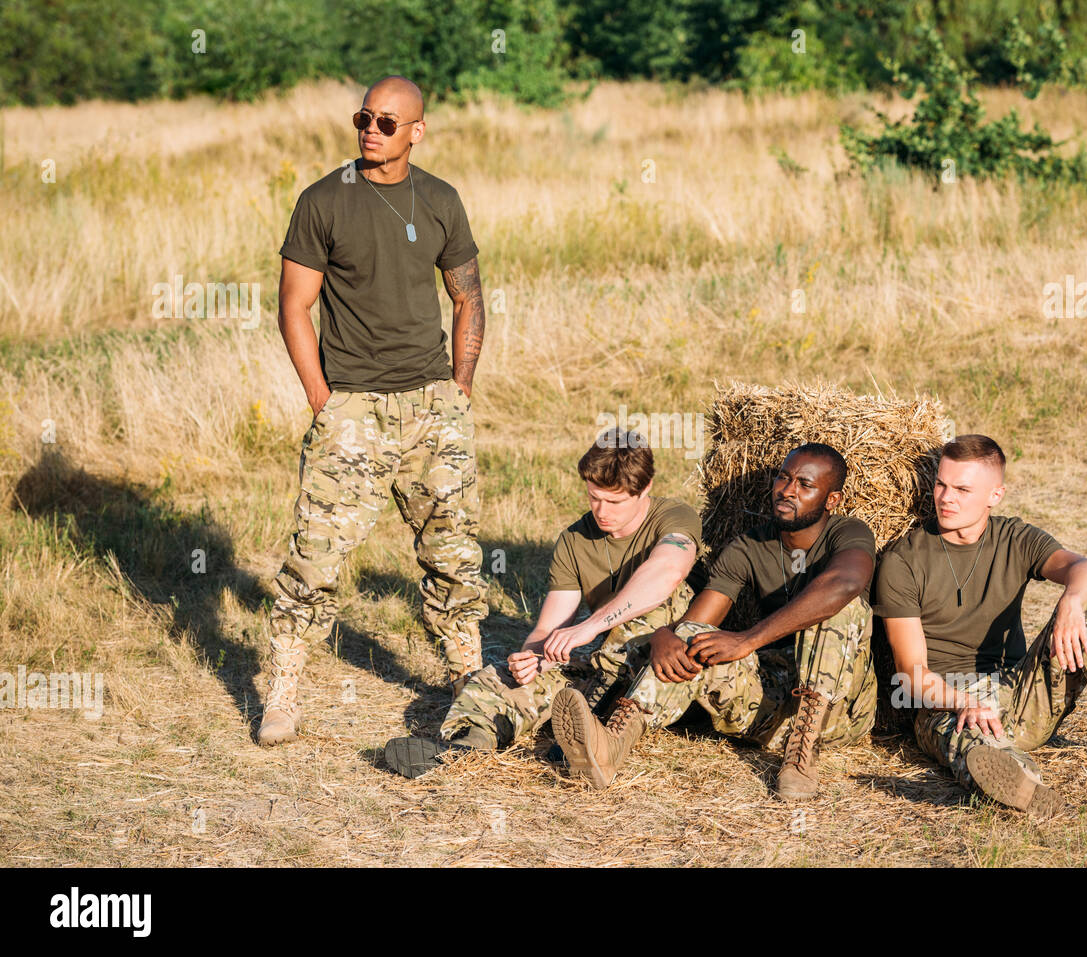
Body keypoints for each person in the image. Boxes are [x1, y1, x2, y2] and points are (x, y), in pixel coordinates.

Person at [258, 76, 489, 746]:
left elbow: (469, 297)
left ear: (417, 131)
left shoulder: (441, 199)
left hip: (431, 406)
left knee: (453, 554)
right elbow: (292, 306)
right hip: (352, 406)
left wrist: (460, 387)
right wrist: (322, 398)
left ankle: (467, 684)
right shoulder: (325, 199)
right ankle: (283, 689)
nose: (372, 129)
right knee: (314, 559)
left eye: (389, 122)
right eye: (365, 117)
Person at [874, 433, 1087, 818]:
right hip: (949, 702)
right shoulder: (903, 561)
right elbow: (912, 675)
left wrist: (1071, 601)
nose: (945, 498)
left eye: (962, 489)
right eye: (941, 484)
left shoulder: (1014, 537)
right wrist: (967, 701)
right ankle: (1019, 781)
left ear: (995, 495)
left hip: (1020, 694)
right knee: (973, 737)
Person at [550, 443, 877, 801]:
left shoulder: (848, 533)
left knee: (841, 605)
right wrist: (665, 636)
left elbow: (844, 583)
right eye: (783, 477)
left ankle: (801, 758)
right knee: (690, 639)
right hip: (771, 706)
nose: (787, 490)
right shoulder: (749, 547)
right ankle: (611, 744)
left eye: (804, 484)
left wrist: (748, 639)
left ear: (832, 500)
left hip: (839, 713)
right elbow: (699, 622)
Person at [384, 430, 702, 777]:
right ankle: (464, 750)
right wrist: (531, 660)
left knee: (647, 615)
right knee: (496, 677)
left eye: (615, 502)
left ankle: (601, 739)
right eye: (594, 498)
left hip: (663, 666)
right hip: (602, 665)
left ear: (646, 488)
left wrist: (589, 626)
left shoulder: (675, 516)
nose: (601, 512)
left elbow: (668, 571)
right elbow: (549, 626)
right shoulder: (575, 539)